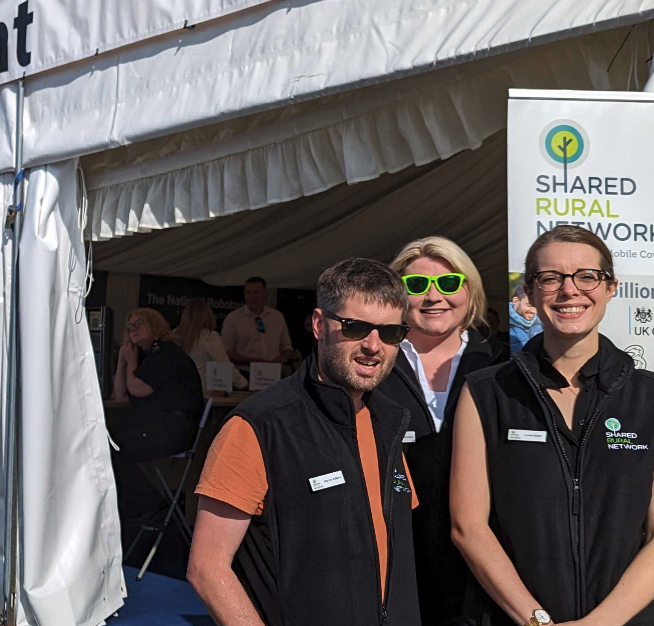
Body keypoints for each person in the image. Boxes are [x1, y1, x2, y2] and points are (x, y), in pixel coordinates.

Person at [450, 226, 654, 626]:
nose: (569, 291)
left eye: (586, 276)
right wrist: (535, 620)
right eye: (550, 278)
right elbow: (468, 527)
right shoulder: (487, 393)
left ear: (610, 287)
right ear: (529, 291)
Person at [188, 258, 421, 625]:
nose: (374, 346)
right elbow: (207, 569)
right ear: (318, 325)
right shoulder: (260, 425)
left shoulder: (390, 422)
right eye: (356, 327)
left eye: (390, 333)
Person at [380, 236, 506, 626]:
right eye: (417, 286)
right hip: (394, 560)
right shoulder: (373, 362)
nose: (434, 296)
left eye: (449, 283)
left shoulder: (503, 366)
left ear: (469, 290)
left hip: (482, 565)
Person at [111, 307, 204, 553]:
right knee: (110, 442)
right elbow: (120, 396)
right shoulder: (143, 356)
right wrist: (123, 361)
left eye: (139, 324)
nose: (133, 330)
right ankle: (143, 505)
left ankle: (148, 505)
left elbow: (139, 389)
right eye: (129, 327)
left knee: (115, 446)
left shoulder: (165, 352)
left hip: (174, 427)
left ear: (154, 326)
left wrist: (130, 362)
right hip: (157, 426)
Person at [175, 297, 247, 391]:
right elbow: (224, 366)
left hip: (178, 389)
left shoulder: (175, 334)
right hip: (200, 391)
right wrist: (245, 384)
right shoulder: (209, 336)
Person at [221, 277, 293, 365]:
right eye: (248, 293)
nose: (252, 296)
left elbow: (287, 347)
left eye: (256, 293)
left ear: (266, 294)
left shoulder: (277, 317)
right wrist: (252, 361)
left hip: (273, 372)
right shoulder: (233, 318)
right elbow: (226, 350)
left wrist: (283, 358)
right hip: (245, 372)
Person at [507, 282, 542, 353]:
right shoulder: (503, 323)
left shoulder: (543, 323)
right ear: (516, 301)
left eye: (537, 305)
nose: (535, 311)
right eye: (530, 305)